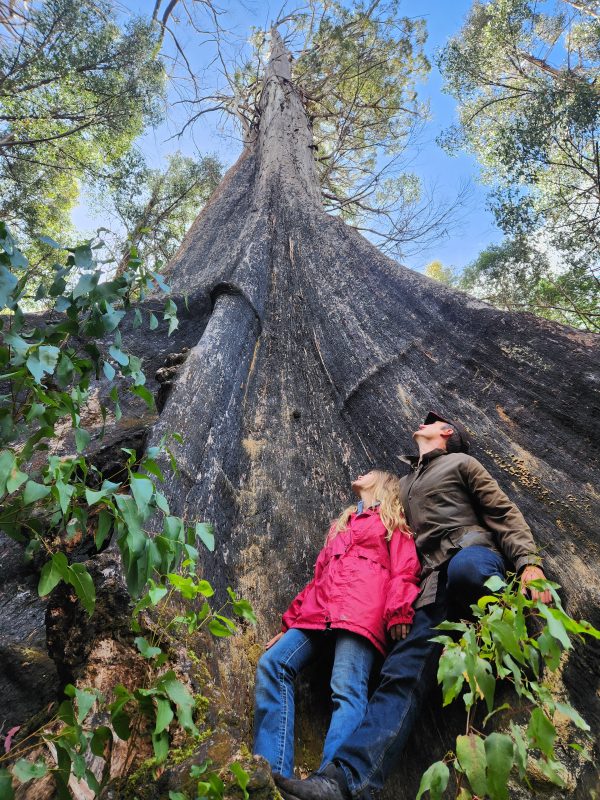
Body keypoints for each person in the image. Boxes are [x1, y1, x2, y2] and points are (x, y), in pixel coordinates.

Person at [275, 411, 551, 800]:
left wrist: (529, 563)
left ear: (447, 432)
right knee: (399, 675)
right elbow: (391, 542)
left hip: (473, 557)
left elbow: (502, 512)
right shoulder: (402, 486)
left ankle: (495, 627)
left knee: (467, 570)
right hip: (431, 587)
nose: (423, 421)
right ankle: (344, 780)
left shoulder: (462, 463)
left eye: (433, 419)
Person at [253, 470, 421, 779]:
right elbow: (318, 578)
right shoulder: (341, 525)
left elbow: (405, 568)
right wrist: (290, 623)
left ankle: (329, 783)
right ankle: (271, 774)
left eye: (369, 473)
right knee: (272, 664)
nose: (361, 473)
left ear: (382, 483)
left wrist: (399, 610)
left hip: (361, 610)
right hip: (321, 609)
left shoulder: (391, 521)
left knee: (346, 689)